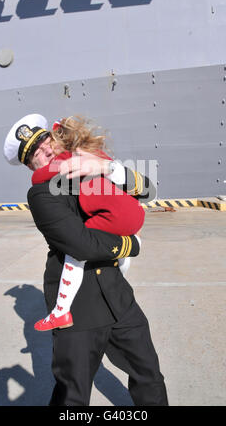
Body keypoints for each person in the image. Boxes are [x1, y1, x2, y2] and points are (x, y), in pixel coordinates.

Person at [3, 113, 168, 406]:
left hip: (117, 295)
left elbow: (149, 191)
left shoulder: (91, 166)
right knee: (73, 394)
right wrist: (132, 244)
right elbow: (82, 245)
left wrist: (107, 167)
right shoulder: (41, 194)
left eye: (44, 141)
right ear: (29, 165)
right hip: (76, 305)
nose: (44, 150)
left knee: (149, 375)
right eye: (34, 154)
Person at [30, 116, 145, 331]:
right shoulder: (94, 155)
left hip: (113, 216)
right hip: (135, 213)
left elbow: (38, 177)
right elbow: (146, 190)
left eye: (49, 144)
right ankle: (119, 276)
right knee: (118, 255)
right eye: (38, 153)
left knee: (76, 253)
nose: (48, 151)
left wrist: (38, 172)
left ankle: (61, 311)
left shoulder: (67, 161)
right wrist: (109, 167)